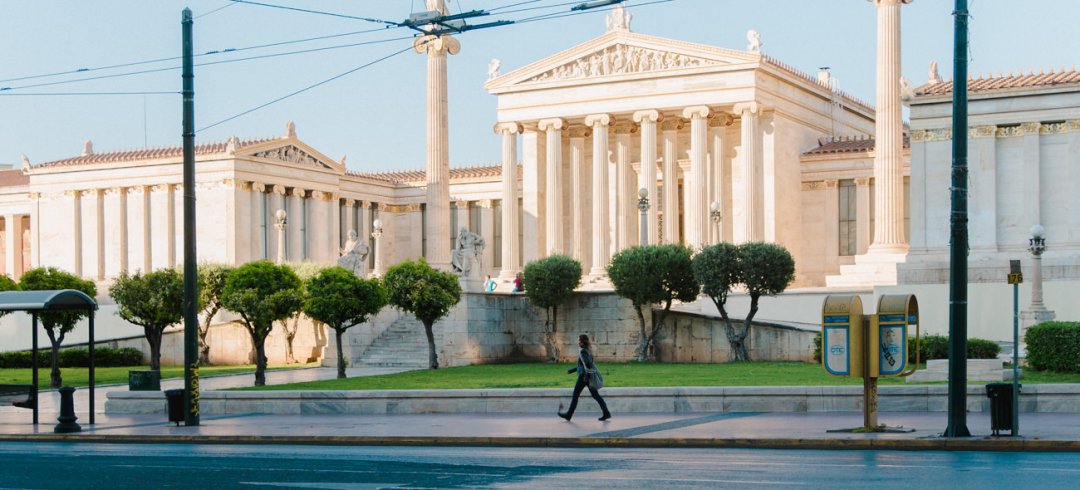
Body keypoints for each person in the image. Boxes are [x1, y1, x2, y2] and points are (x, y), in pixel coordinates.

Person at [558, 334, 612, 421]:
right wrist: (571, 370)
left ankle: (568, 415)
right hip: (588, 376)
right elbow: (584, 365)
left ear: (583, 342)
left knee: (575, 395)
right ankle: (606, 413)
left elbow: (587, 364)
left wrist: (585, 376)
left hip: (584, 377)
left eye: (579, 340)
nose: (578, 342)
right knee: (596, 396)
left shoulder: (583, 351)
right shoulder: (588, 350)